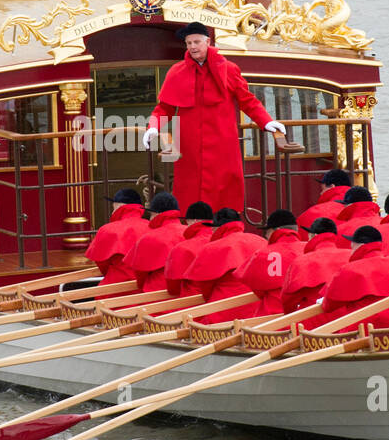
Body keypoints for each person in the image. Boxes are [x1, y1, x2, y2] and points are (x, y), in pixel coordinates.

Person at [142, 23, 287, 214]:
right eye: (188, 43)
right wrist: (153, 127)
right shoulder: (176, 72)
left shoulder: (229, 69)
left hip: (223, 148)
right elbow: (164, 108)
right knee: (189, 197)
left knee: (225, 197)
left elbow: (247, 101)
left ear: (208, 42)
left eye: (196, 42)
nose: (193, 47)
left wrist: (267, 121)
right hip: (189, 150)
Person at [184, 209, 267, 323]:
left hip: (223, 311)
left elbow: (204, 287)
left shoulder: (212, 248)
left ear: (218, 228)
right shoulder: (261, 241)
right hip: (258, 310)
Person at [320, 226, 389, 330]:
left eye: (352, 247)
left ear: (360, 246)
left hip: (362, 331)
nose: (351, 251)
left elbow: (328, 305)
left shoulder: (350, 269)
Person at [234, 209, 306, 315]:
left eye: (267, 231)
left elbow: (253, 284)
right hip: (304, 318)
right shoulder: (309, 250)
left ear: (275, 230)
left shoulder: (263, 253)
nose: (266, 236)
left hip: (270, 318)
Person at [280, 219, 351, 323]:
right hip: (348, 321)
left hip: (313, 325)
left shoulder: (302, 261)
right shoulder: (351, 256)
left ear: (314, 236)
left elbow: (288, 300)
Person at [122, 192, 185, 292]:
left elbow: (140, 273)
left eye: (151, 214)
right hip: (186, 293)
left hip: (157, 293)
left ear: (157, 214)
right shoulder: (187, 232)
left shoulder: (149, 238)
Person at [84, 189, 149, 286]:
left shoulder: (107, 230)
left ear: (118, 207)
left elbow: (102, 265)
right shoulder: (153, 227)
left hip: (116, 287)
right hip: (146, 287)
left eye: (113, 208)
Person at [163, 202, 215, 297]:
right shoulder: (222, 241)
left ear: (194, 221)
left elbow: (173, 288)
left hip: (191, 303)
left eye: (187, 221)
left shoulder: (183, 248)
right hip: (218, 300)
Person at [296, 169, 354, 233]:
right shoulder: (361, 209)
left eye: (322, 189)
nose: (321, 193)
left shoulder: (314, 213)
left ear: (332, 187)